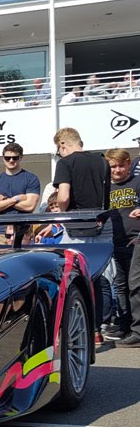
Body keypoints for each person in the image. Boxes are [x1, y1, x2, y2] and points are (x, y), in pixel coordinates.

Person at [103, 149, 139, 343]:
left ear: (128, 164)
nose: (117, 170)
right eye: (113, 166)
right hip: (115, 241)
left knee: (136, 285)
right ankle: (124, 325)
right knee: (121, 285)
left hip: (136, 240)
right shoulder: (105, 187)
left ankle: (137, 331)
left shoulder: (137, 182)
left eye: (121, 165)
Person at [53, 127, 109, 212]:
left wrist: (62, 211)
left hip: (76, 218)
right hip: (101, 216)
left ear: (62, 145)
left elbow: (63, 198)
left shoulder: (65, 163)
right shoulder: (102, 160)